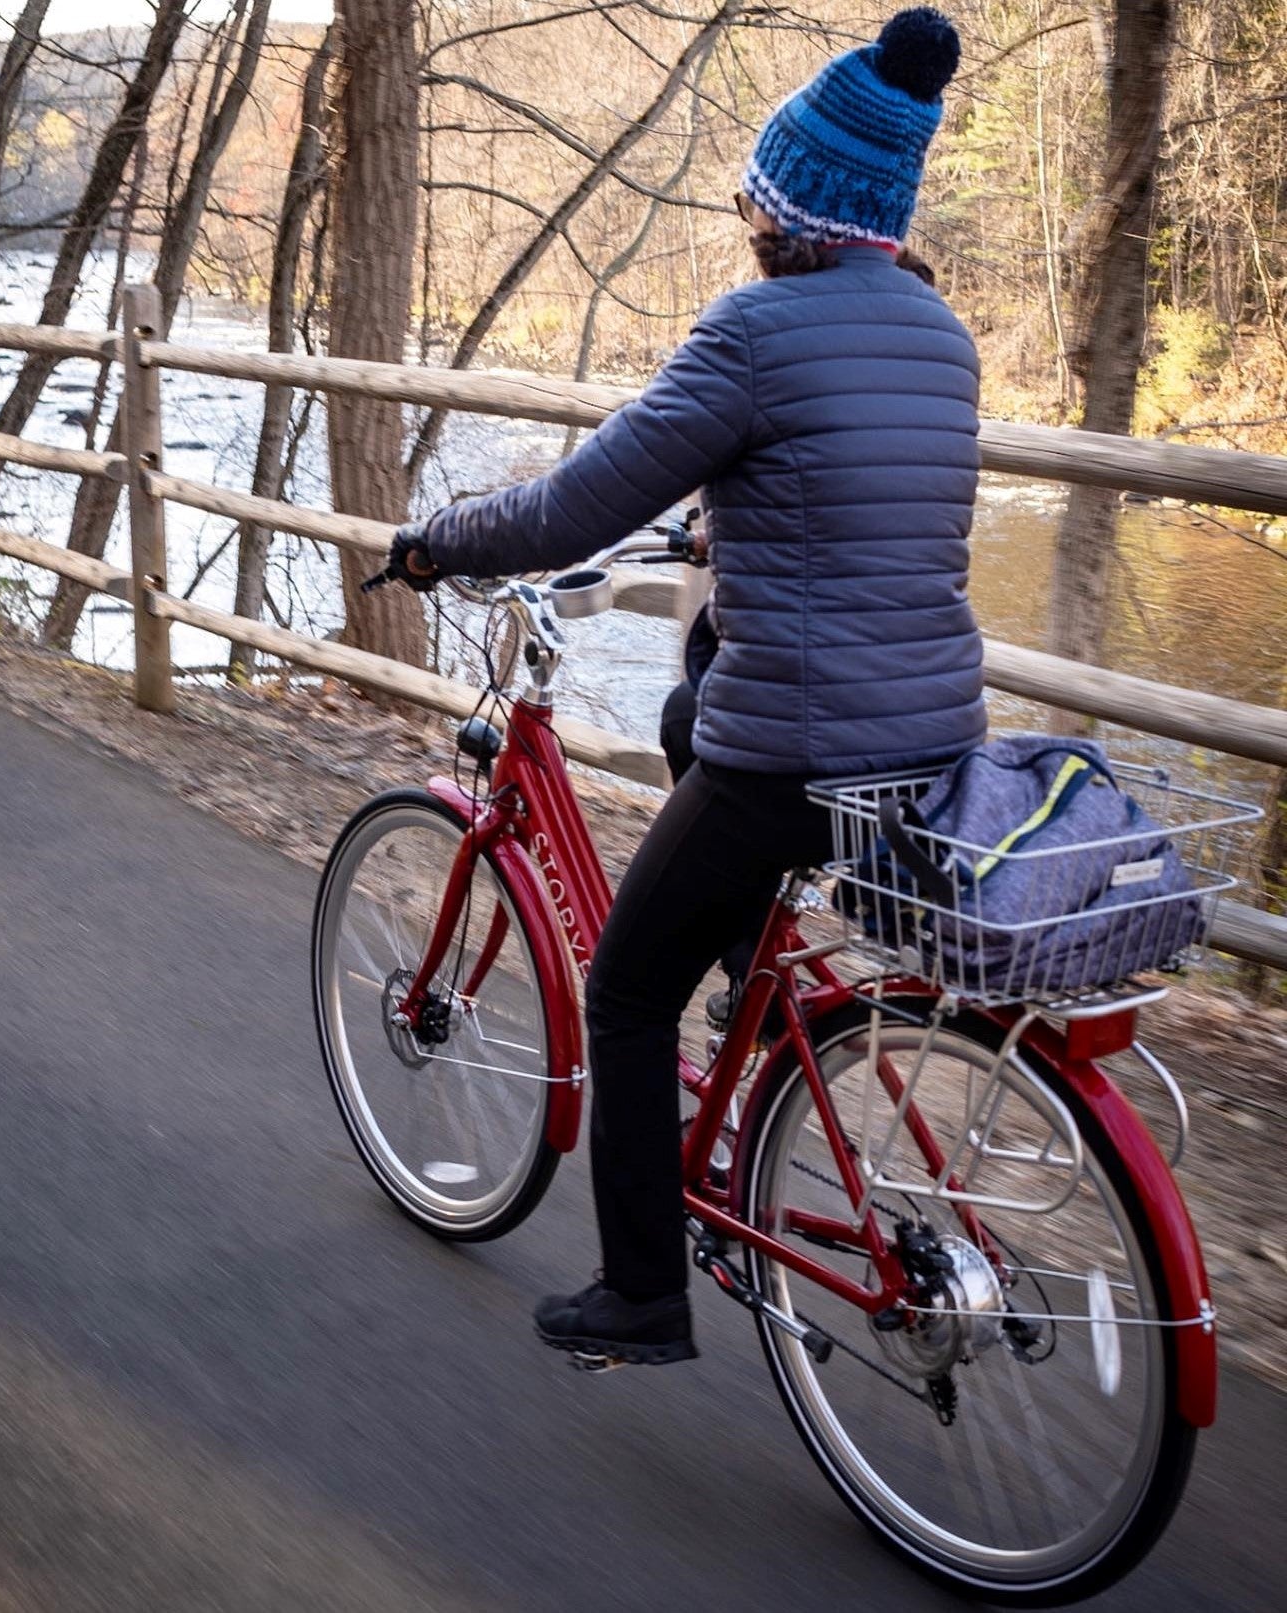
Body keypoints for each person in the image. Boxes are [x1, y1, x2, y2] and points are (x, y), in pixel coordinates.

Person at [388, 7, 987, 1366]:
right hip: (931, 743)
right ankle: (752, 984)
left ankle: (644, 1291)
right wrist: (735, 523)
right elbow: (873, 509)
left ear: (791, 207)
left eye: (753, 199)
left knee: (624, 985)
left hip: (798, 756)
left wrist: (443, 541)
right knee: (680, 718)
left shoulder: (757, 333)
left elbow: (572, 509)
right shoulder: (940, 337)